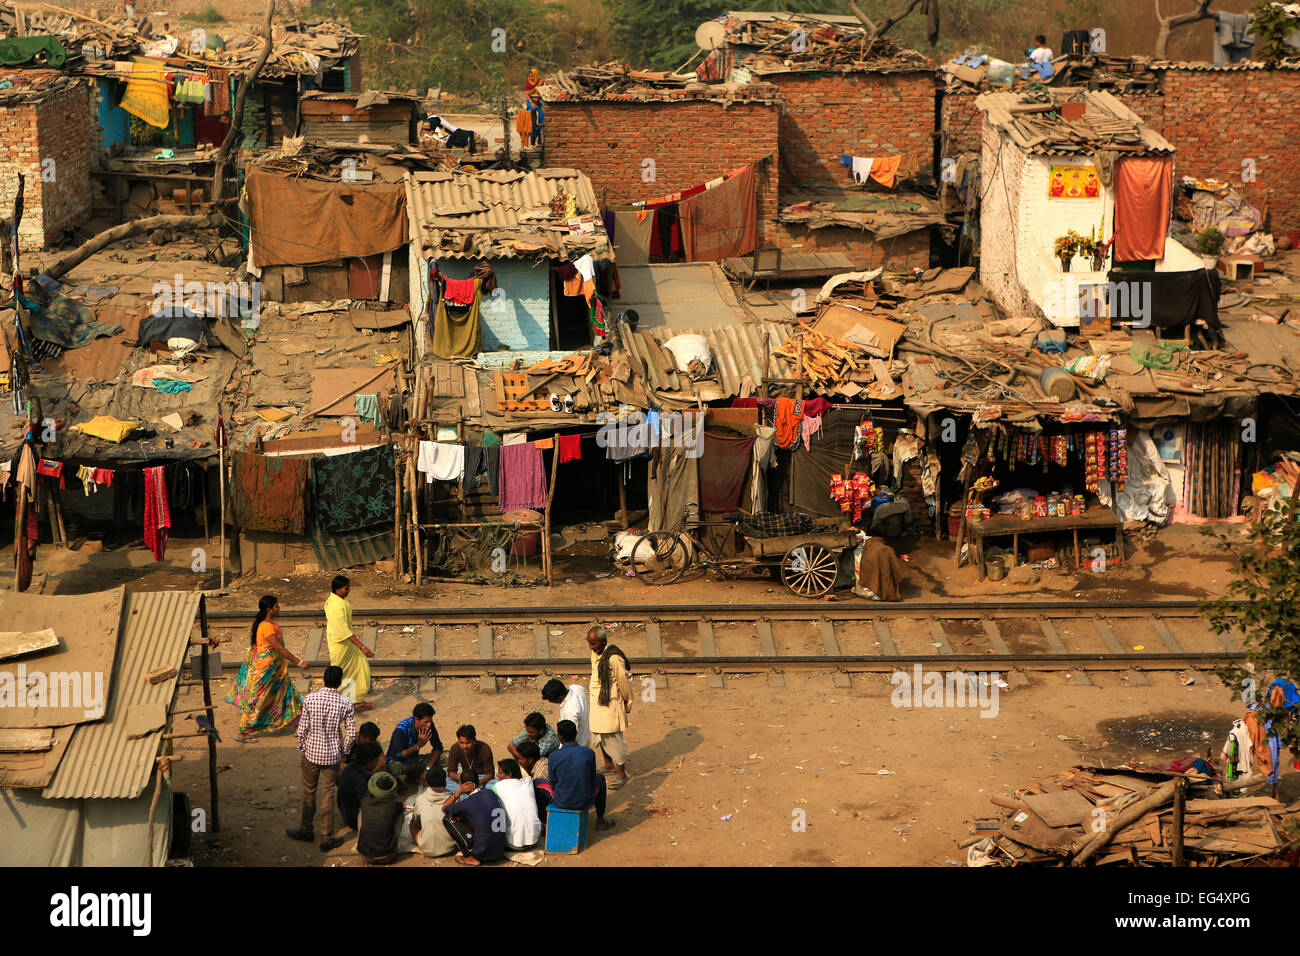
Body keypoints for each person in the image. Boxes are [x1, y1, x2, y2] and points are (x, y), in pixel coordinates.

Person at [287, 665, 355, 851]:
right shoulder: (345, 703)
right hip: (332, 756)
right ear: (340, 683)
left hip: (311, 754)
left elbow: (302, 729)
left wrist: (303, 747)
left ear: (324, 679)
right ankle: (326, 838)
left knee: (309, 793)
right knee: (328, 795)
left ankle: (306, 829)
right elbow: (351, 733)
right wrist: (344, 752)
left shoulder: (310, 699)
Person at [226, 595, 307, 743]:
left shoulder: (268, 623)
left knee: (288, 694)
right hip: (266, 672)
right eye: (276, 606)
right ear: (269, 610)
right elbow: (279, 648)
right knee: (258, 701)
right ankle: (243, 732)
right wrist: (298, 661)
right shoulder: (267, 626)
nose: (279, 609)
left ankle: (299, 724)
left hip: (275, 671)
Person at [586, 625, 631, 789]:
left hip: (611, 704)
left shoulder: (614, 658)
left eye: (594, 644)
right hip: (597, 703)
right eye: (590, 644)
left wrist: (628, 701)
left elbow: (623, 681)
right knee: (598, 734)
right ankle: (608, 764)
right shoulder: (594, 654)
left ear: (603, 642)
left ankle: (621, 774)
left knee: (613, 738)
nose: (591, 648)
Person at [548, 719, 610, 830]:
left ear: (560, 738)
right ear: (576, 734)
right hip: (584, 800)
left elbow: (553, 782)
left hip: (561, 801)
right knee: (600, 778)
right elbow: (591, 777)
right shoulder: (588, 753)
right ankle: (600, 820)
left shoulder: (554, 756)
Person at [325, 575, 373, 710]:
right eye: (346, 588)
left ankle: (354, 701)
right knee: (340, 673)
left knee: (358, 668)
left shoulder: (341, 600)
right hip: (340, 644)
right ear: (337, 589)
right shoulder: (334, 605)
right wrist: (362, 647)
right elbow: (343, 630)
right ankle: (335, 703)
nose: (349, 591)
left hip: (348, 643)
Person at [442, 775, 507, 865]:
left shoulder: (467, 802)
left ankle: (469, 856)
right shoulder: (490, 793)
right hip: (500, 850)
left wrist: (458, 792)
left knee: (447, 818)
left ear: (465, 784)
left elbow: (444, 808)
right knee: (473, 815)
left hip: (483, 853)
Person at [486, 758, 542, 849]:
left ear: (509, 774)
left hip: (515, 843)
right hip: (534, 839)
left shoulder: (498, 786)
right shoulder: (528, 783)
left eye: (500, 773)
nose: (497, 775)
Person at [387, 702, 443, 784]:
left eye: (430, 721)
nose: (429, 724)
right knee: (394, 768)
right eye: (426, 722)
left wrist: (428, 768)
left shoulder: (429, 726)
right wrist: (419, 745)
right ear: (416, 719)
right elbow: (398, 755)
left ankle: (415, 776)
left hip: (415, 760)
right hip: (401, 762)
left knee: (445, 756)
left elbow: (438, 747)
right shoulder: (402, 729)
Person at [356, 770, 404, 864]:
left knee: (362, 812)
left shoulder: (364, 802)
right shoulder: (393, 805)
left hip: (365, 854)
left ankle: (364, 838)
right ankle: (395, 845)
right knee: (400, 815)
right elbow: (401, 807)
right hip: (387, 854)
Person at [409, 767, 458, 858]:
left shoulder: (420, 799)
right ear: (445, 782)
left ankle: (426, 841)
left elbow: (415, 824)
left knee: (412, 825)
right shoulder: (453, 799)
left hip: (427, 849)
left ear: (427, 784)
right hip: (451, 848)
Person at [338, 740, 385, 831]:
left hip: (347, 812)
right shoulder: (359, 781)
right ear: (370, 761)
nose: (377, 763)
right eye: (376, 760)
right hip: (354, 819)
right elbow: (367, 805)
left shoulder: (351, 767)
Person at [541, 678, 589, 747]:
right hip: (585, 738)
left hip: (576, 746)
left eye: (551, 700)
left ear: (560, 696)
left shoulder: (570, 712)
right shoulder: (576, 688)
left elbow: (568, 737)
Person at [446, 724, 494, 791]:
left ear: (474, 741)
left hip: (481, 778)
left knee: (493, 785)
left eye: (468, 743)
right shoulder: (455, 748)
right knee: (445, 782)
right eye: (461, 743)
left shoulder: (485, 749)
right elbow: (451, 772)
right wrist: (460, 778)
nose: (464, 746)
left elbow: (490, 774)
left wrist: (478, 782)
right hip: (464, 778)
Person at [515, 740, 552, 815]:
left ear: (530, 759)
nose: (519, 761)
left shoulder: (539, 775)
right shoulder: (542, 761)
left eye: (522, 759)